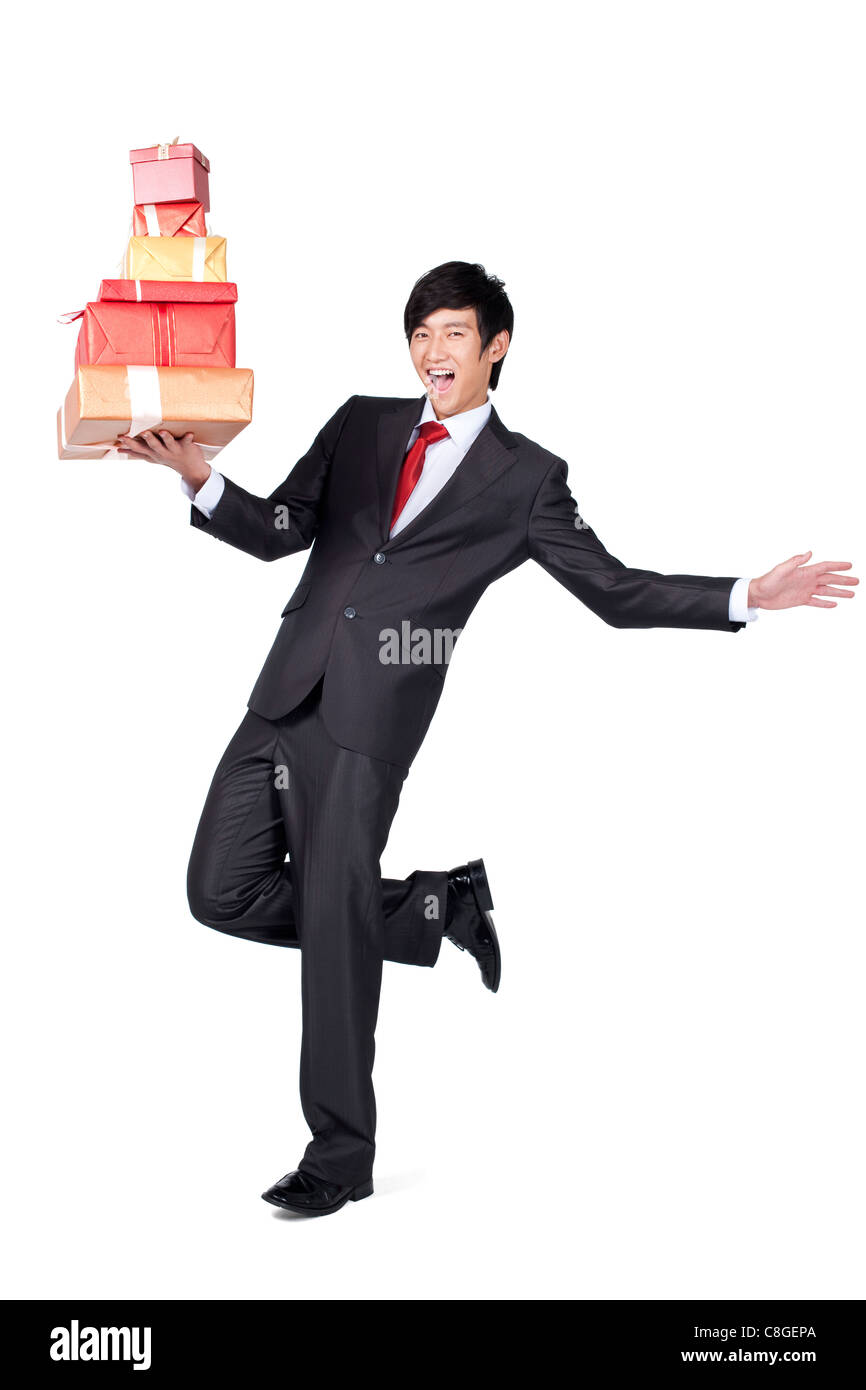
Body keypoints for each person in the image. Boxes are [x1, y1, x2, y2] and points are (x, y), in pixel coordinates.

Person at [117, 261, 858, 1218]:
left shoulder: (526, 479)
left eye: (453, 334)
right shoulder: (361, 423)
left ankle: (340, 1159)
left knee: (336, 921)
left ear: (495, 346)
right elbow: (283, 528)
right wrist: (199, 479)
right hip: (283, 692)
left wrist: (744, 598)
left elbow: (614, 591)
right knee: (218, 890)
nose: (432, 351)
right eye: (421, 333)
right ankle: (434, 908)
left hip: (372, 718)